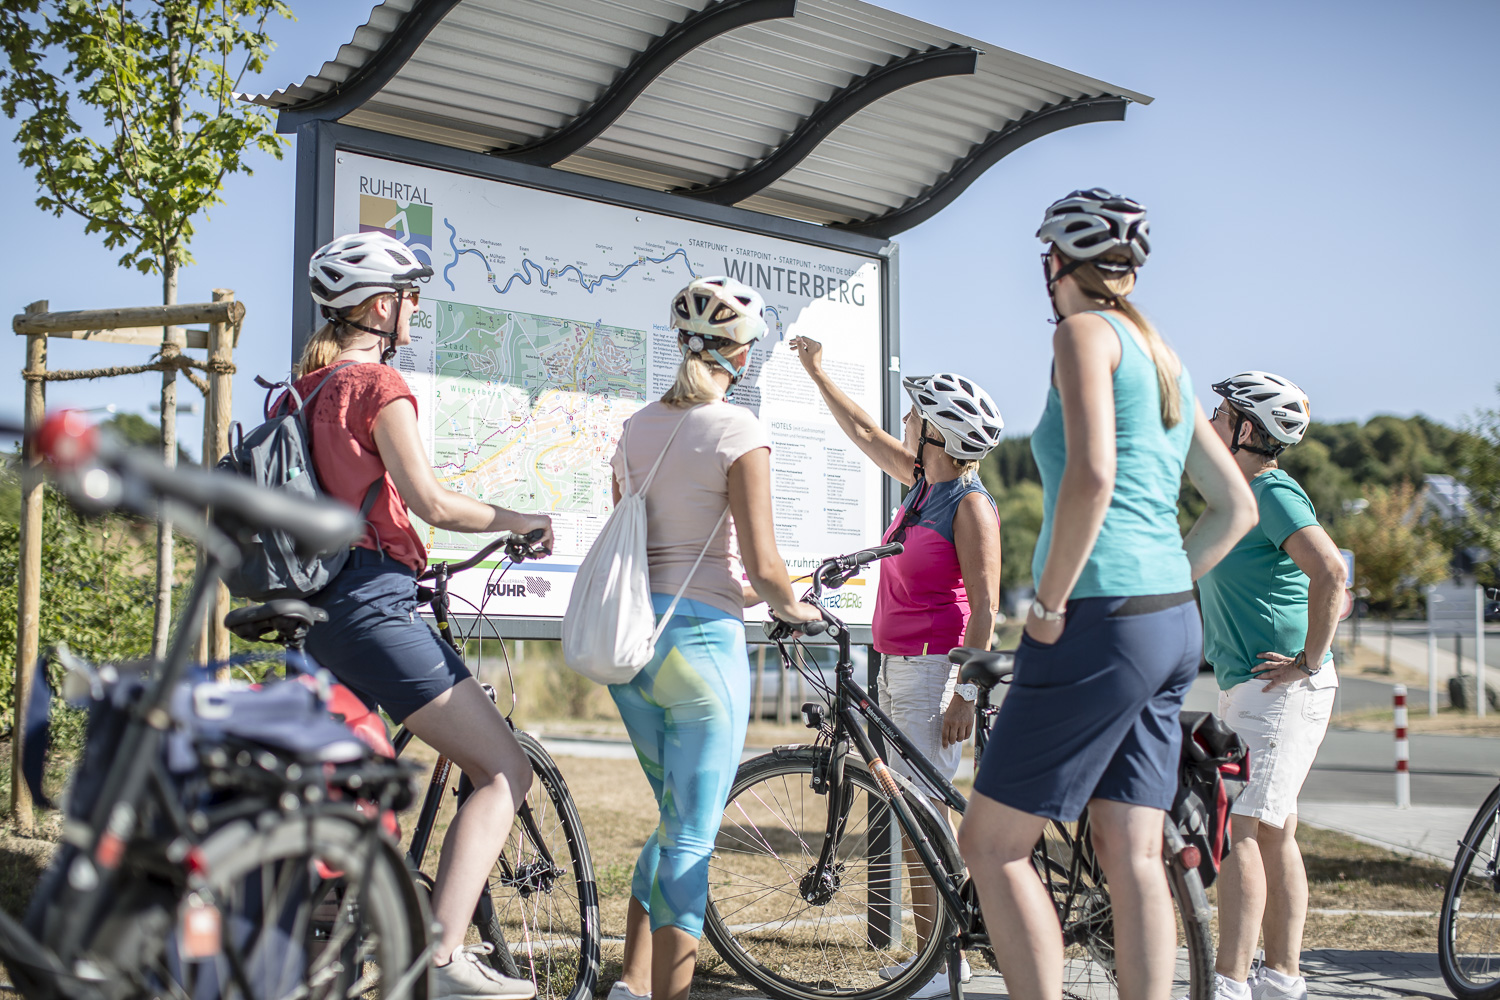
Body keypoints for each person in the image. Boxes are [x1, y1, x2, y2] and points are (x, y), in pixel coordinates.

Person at [957, 189, 1257, 1000]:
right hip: (1167, 621)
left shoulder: (1081, 333)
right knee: (1132, 853)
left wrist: (1049, 603)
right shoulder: (1164, 355)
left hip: (1098, 619)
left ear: (1055, 262)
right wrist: (1160, 584)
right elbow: (1235, 507)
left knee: (990, 845)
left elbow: (1091, 476)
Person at [294, 231, 554, 1000]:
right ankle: (439, 963)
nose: (417, 310)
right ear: (382, 305)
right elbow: (434, 501)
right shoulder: (375, 386)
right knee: (505, 768)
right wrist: (519, 519)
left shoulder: (300, 390)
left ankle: (322, 957)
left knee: (349, 789)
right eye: (412, 297)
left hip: (314, 610)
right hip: (372, 604)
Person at [606, 276, 823, 1000]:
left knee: (675, 821)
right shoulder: (739, 429)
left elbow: (645, 550)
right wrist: (802, 607)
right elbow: (761, 565)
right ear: (744, 354)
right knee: (692, 838)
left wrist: (763, 588)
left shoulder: (635, 427)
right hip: (701, 653)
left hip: (635, 651)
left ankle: (632, 985)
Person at [792, 340, 1003, 998]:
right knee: (918, 822)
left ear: (938, 431)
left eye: (914, 416)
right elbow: (860, 431)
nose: (904, 422)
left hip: (934, 675)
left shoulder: (966, 505)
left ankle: (942, 965)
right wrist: (816, 371)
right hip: (901, 673)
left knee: (924, 824)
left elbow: (988, 608)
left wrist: (966, 694)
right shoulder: (922, 486)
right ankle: (936, 957)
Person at [1198, 371, 1346, 1000]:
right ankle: (1281, 979)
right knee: (1275, 829)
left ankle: (1230, 985)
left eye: (1222, 414)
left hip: (1282, 688)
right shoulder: (1238, 494)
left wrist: (1309, 662)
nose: (1212, 419)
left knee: (1241, 831)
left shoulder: (1271, 491)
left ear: (1249, 430)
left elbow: (1332, 571)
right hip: (1252, 687)